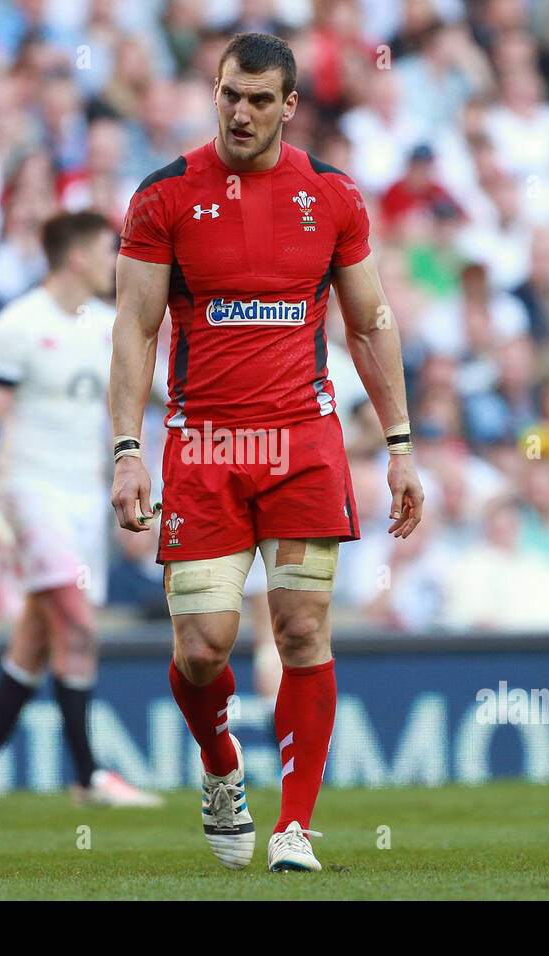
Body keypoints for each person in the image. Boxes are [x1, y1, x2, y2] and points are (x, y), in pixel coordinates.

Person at [109, 33, 423, 872]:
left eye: (258, 99)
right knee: (203, 647)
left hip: (302, 442)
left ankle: (294, 826)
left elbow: (369, 323)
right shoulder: (163, 195)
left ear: (290, 105)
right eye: (228, 95)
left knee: (301, 631)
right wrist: (127, 448)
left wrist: (398, 445)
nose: (239, 111)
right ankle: (221, 768)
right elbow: (136, 328)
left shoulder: (332, 196)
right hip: (204, 443)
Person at [0, 212, 162, 811]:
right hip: (29, 493)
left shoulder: (105, 327)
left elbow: (156, 393)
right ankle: (88, 776)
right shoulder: (15, 326)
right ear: (75, 257)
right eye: (104, 249)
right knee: (79, 625)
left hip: (84, 501)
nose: (114, 259)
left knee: (37, 637)